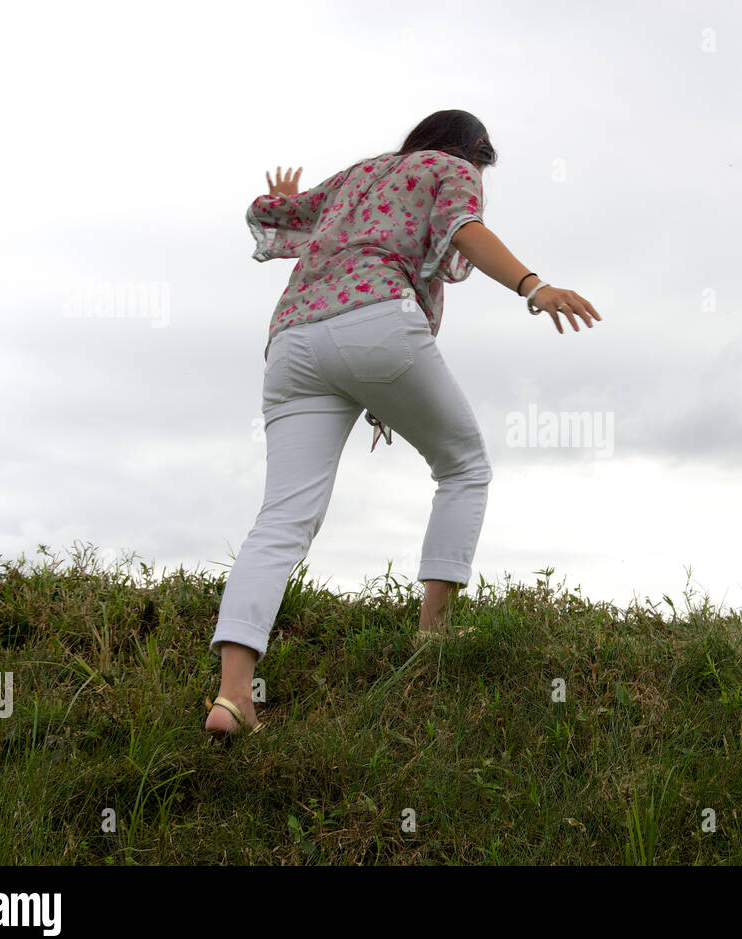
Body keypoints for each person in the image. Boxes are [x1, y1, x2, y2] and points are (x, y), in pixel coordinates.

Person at [205, 109, 603, 737]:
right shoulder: (450, 169)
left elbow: (284, 215)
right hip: (374, 323)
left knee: (280, 520)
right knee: (465, 466)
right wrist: (534, 286)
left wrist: (285, 200)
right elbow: (464, 229)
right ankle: (433, 634)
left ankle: (232, 696)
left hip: (292, 342)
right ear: (472, 151)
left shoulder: (361, 173)